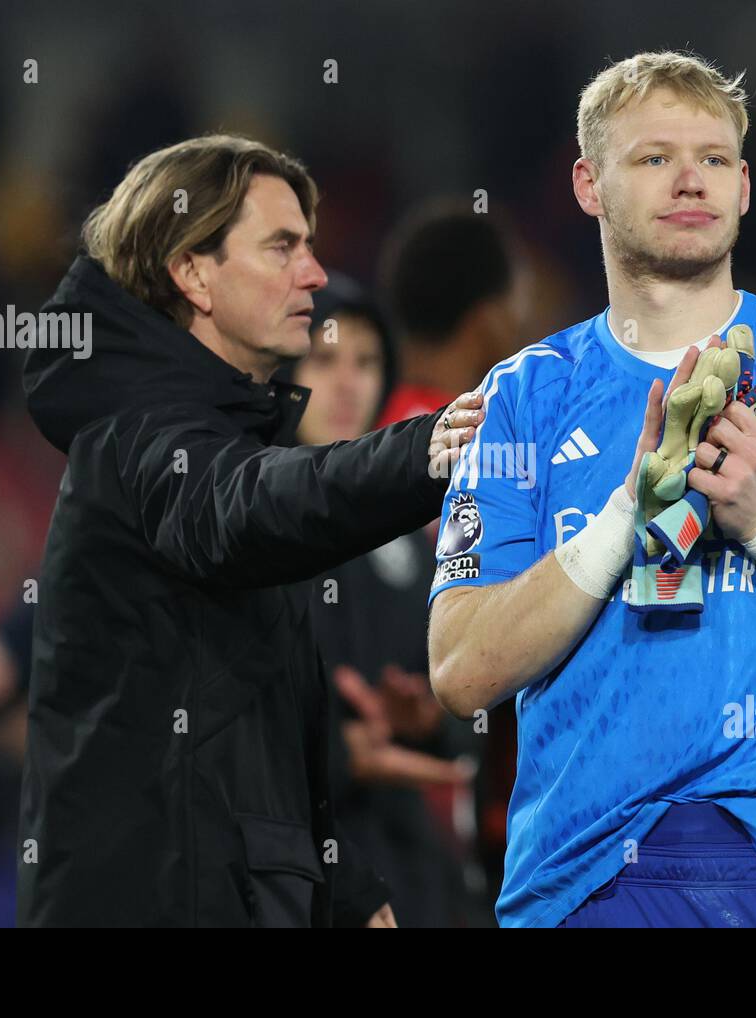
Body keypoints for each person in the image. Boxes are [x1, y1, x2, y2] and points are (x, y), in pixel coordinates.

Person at [427, 52, 756, 928]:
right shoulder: (523, 394)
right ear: (587, 184)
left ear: (747, 186)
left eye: (715, 159)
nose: (691, 180)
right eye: (653, 158)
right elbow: (459, 672)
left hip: (753, 862)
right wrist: (623, 516)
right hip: (566, 880)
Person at [16, 134, 484, 928]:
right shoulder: (141, 436)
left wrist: (340, 887)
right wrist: (427, 449)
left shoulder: (217, 437)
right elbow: (243, 508)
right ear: (193, 272)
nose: (313, 273)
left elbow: (248, 727)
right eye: (283, 247)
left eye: (311, 247)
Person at [292, 273, 479, 927]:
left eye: (367, 362)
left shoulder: (409, 532)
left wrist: (429, 719)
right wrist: (340, 752)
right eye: (325, 357)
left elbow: (473, 705)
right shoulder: (241, 523)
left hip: (414, 875)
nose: (349, 382)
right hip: (298, 874)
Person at [376, 201, 526, 426]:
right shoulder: (478, 447)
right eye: (516, 301)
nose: (522, 322)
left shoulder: (362, 428)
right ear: (488, 320)